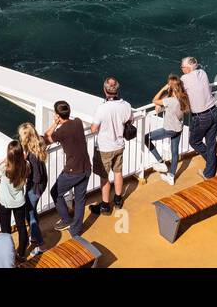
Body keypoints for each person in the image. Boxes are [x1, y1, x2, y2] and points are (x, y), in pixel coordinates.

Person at [45, 100, 89, 239]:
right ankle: (75, 231)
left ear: (58, 115)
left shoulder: (61, 131)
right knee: (80, 199)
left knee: (55, 192)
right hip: (86, 167)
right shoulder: (78, 122)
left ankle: (66, 220)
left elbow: (46, 138)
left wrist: (55, 123)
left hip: (72, 171)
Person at [90, 77, 133, 215]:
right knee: (118, 172)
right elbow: (129, 119)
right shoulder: (126, 105)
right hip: (119, 145)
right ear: (117, 90)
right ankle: (118, 200)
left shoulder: (102, 108)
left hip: (105, 148)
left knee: (104, 176)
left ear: (105, 90)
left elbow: (93, 129)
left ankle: (105, 205)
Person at [181, 57, 217, 179]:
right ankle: (210, 170)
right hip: (213, 111)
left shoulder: (184, 79)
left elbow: (177, 92)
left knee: (194, 141)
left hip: (202, 117)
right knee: (211, 143)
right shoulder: (203, 73)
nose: (181, 70)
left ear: (188, 69)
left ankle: (213, 163)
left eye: (182, 67)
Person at [144, 74, 188, 186]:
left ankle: (160, 162)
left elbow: (154, 100)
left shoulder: (170, 101)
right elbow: (169, 105)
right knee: (174, 153)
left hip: (169, 129)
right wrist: (162, 105)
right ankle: (171, 177)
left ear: (171, 87)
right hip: (178, 128)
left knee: (146, 138)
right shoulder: (183, 97)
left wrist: (163, 89)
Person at [18, 123, 49, 256]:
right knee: (32, 212)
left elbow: (36, 176)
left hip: (35, 187)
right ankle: (35, 236)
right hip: (41, 185)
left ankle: (41, 244)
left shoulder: (31, 156)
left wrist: (25, 170)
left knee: (29, 215)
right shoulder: (39, 143)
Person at [0, 141, 30, 260]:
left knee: (6, 231)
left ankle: (9, 254)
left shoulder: (4, 169)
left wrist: (7, 158)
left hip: (4, 203)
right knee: (21, 227)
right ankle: (21, 253)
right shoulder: (26, 166)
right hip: (19, 202)